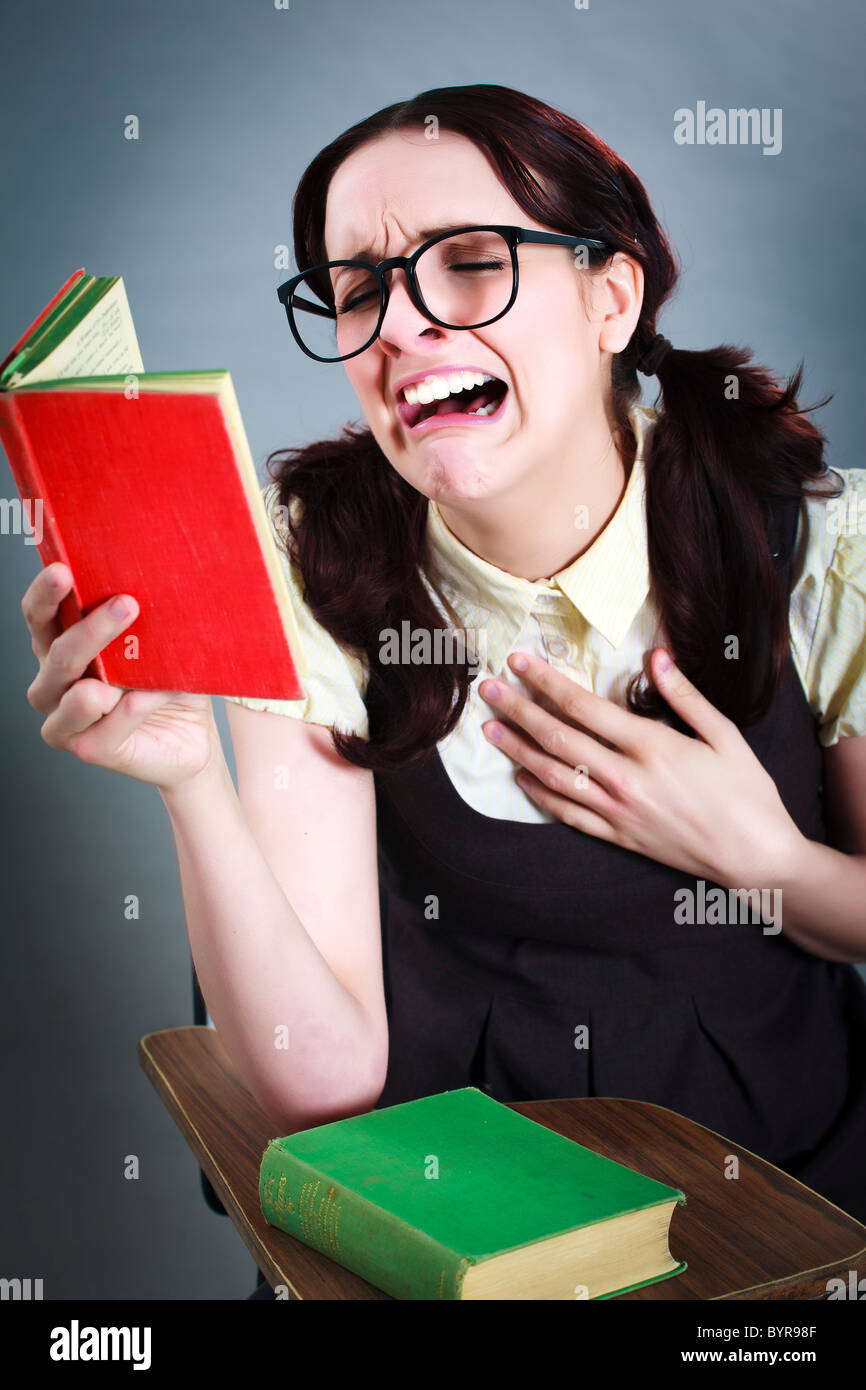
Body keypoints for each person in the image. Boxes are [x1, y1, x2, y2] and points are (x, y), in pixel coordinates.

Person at [21, 86, 866, 1297]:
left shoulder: (817, 540)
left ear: (610, 298)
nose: (401, 325)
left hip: (777, 1230)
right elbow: (320, 1079)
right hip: (441, 1244)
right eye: (358, 289)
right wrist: (191, 780)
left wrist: (759, 857)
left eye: (468, 263)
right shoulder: (297, 559)